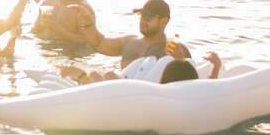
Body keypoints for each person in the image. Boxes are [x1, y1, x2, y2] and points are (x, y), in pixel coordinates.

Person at [73, 0, 191, 69]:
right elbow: (98, 44)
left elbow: (189, 80)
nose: (143, 21)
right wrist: (88, 24)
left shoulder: (176, 49)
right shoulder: (129, 41)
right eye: (142, 15)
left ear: (164, 21)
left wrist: (180, 60)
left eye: (149, 17)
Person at [60, 50, 222, 85]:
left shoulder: (160, 94)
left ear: (164, 77)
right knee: (107, 75)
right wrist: (216, 67)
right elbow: (212, 88)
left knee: (100, 74)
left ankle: (79, 75)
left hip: (123, 100)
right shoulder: (196, 92)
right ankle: (80, 75)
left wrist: (81, 76)